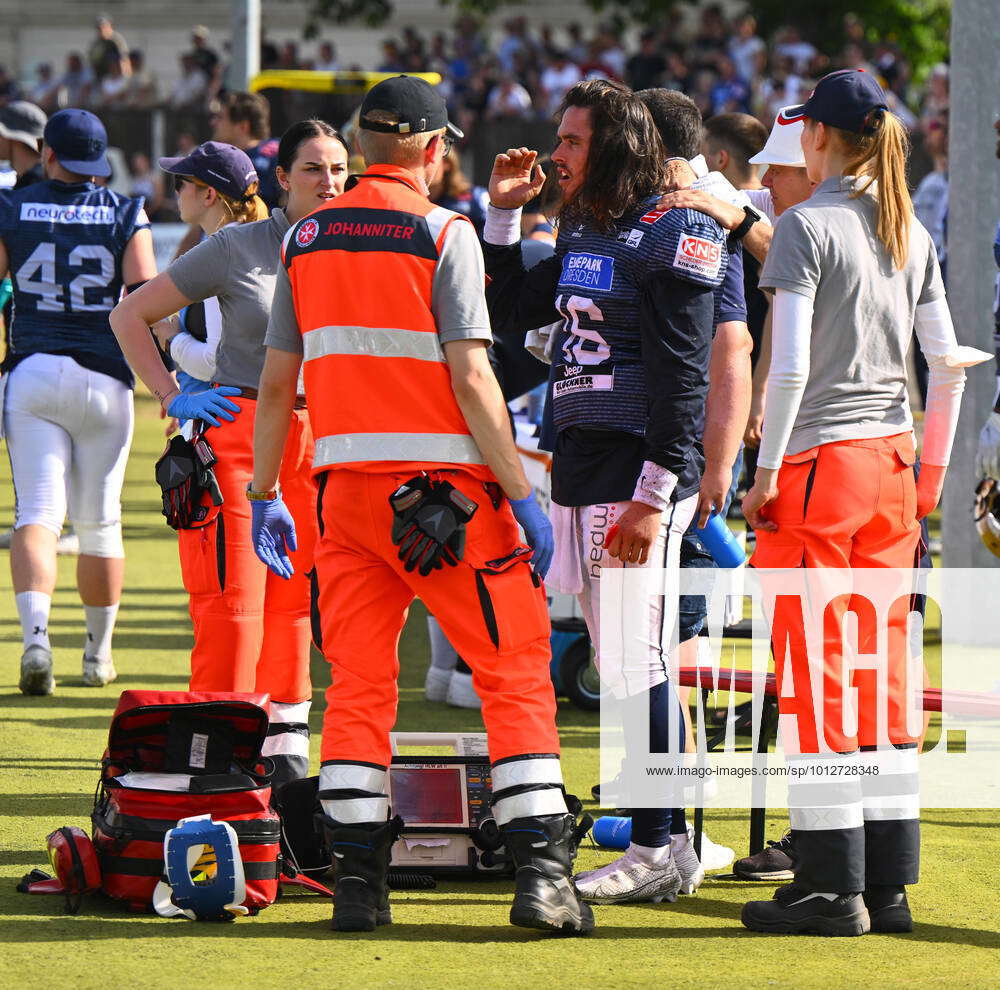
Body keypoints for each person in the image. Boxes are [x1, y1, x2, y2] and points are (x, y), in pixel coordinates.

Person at [250, 75, 592, 936]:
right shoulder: (447, 232)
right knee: (515, 675)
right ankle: (542, 881)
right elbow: (474, 377)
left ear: (364, 146)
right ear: (435, 151)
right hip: (448, 498)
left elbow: (277, 380)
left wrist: (262, 491)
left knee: (360, 692)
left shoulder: (307, 238)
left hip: (340, 496)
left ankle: (359, 893)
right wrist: (522, 494)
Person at [740, 69, 989, 936]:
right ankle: (886, 885)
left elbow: (796, 368)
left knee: (816, 676)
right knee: (883, 678)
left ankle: (828, 886)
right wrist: (927, 483)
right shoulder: (908, 229)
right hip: (893, 465)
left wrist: (764, 471)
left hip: (821, 466)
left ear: (817, 135)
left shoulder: (808, 226)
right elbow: (948, 366)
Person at [483, 79, 730, 905]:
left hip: (636, 468)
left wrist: (656, 493)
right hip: (584, 458)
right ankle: (672, 843)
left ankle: (659, 846)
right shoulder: (592, 220)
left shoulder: (676, 228)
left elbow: (685, 377)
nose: (554, 154)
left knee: (637, 661)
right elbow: (515, 307)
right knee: (621, 657)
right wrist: (507, 216)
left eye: (572, 141)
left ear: (619, 146)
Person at [110, 122, 350, 786]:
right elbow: (130, 315)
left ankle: (284, 775)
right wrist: (170, 393)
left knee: (294, 611)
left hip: (324, 446)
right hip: (239, 440)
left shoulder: (361, 244)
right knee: (233, 614)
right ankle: (212, 771)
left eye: (338, 169)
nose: (329, 182)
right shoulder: (236, 244)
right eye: (312, 169)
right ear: (283, 178)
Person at [0, 109, 156, 695]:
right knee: (102, 520)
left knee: (37, 513)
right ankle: (98, 656)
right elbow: (145, 297)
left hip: (34, 369)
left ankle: (37, 639)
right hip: (106, 379)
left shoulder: (12, 206)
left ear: (47, 153)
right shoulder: (124, 210)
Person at [210, 91, 281, 209]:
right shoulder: (222, 160)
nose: (213, 123)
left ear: (243, 126)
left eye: (220, 117)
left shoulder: (279, 156)